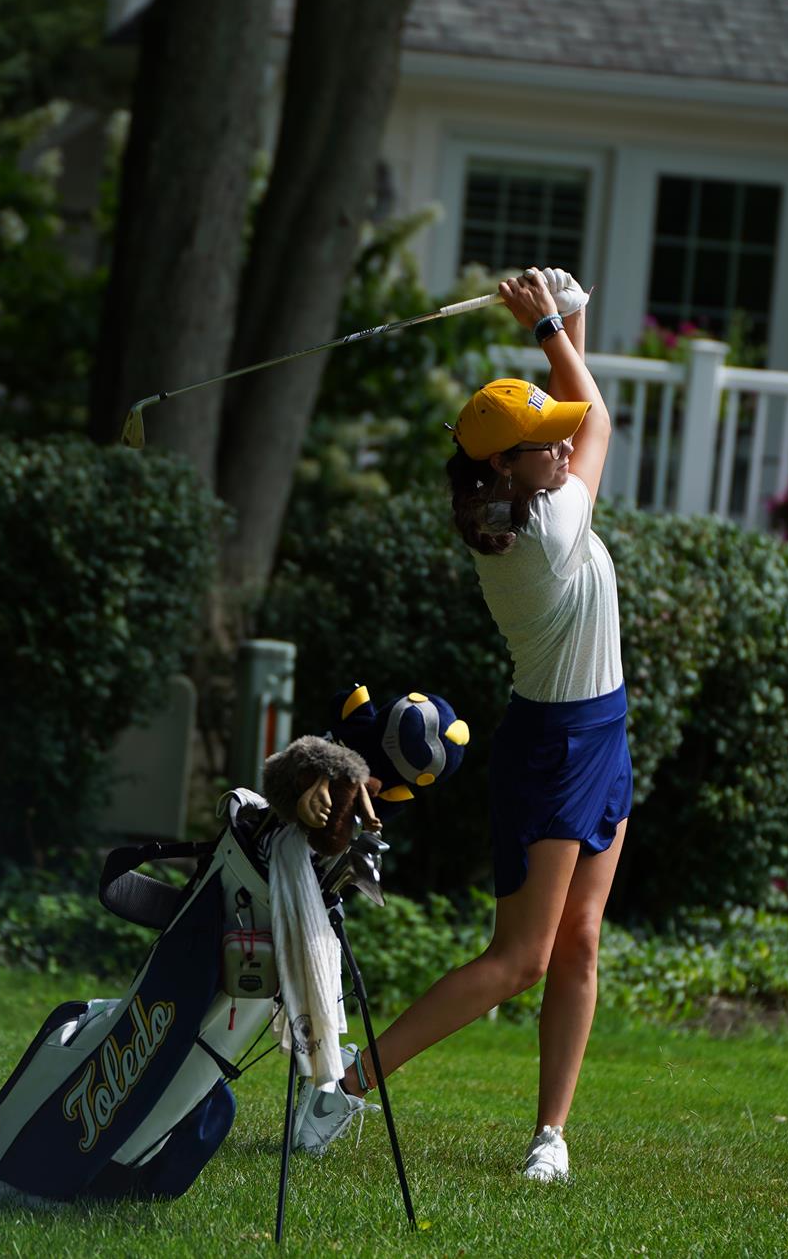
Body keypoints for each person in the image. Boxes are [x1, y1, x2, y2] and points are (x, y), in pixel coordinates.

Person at [294, 267, 630, 1185]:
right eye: (540, 447)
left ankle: (550, 1135)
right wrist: (552, 324)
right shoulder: (547, 533)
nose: (560, 452)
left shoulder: (522, 500)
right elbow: (594, 416)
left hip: (602, 731)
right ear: (505, 468)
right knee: (520, 958)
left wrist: (570, 321)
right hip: (554, 750)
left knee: (581, 940)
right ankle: (347, 1087)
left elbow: (570, 415)